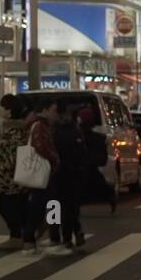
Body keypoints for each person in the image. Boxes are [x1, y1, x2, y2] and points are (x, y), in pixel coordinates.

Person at [45, 103, 85, 255]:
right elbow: (81, 154)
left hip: (54, 173)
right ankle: (68, 236)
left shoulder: (51, 130)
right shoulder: (75, 131)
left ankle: (55, 236)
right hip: (70, 173)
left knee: (54, 204)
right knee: (69, 207)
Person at [0, 94, 31, 253]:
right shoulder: (18, 128)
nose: (0, 109)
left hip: (9, 175)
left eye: (2, 106)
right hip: (12, 174)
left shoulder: (13, 129)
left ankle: (18, 234)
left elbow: (11, 153)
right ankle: (24, 232)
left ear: (8, 110)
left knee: (3, 201)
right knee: (15, 204)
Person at [21, 97, 60, 255]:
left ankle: (33, 240)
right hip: (44, 171)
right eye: (53, 110)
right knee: (50, 205)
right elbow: (40, 146)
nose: (55, 114)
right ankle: (51, 239)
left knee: (40, 206)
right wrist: (54, 158)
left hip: (42, 172)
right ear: (45, 110)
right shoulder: (40, 125)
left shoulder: (38, 124)